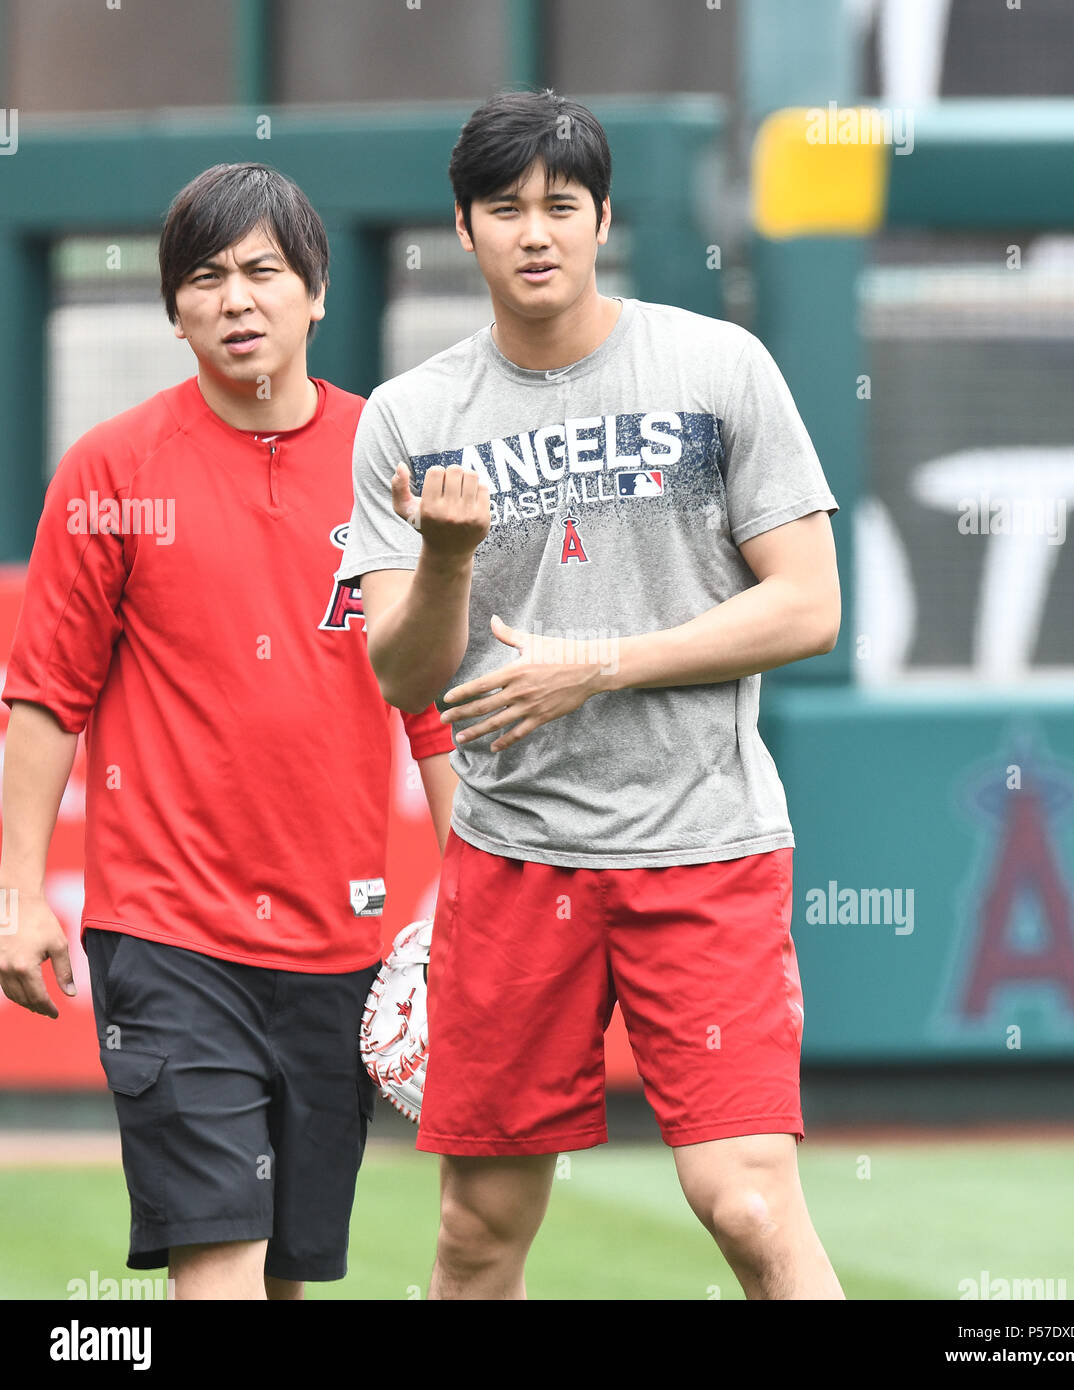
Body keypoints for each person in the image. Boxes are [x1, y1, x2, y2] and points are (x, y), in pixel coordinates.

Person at [339, 89, 844, 1301]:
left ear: (602, 215)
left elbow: (808, 606)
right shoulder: (408, 419)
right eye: (503, 207)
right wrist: (450, 555)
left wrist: (599, 663)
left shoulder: (716, 365)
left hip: (703, 846)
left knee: (748, 1203)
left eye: (560, 204)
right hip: (513, 862)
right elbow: (400, 674)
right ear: (462, 229)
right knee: (473, 1236)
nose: (534, 231)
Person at [0, 163, 457, 1300]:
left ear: (314, 290)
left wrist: (471, 890)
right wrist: (15, 892)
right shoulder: (110, 471)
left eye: (262, 271)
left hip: (337, 944)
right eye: (205, 278)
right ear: (174, 310)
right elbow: (48, 694)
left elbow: (434, 708)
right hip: (167, 935)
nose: (236, 299)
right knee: (221, 1261)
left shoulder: (388, 464)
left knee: (288, 1275)